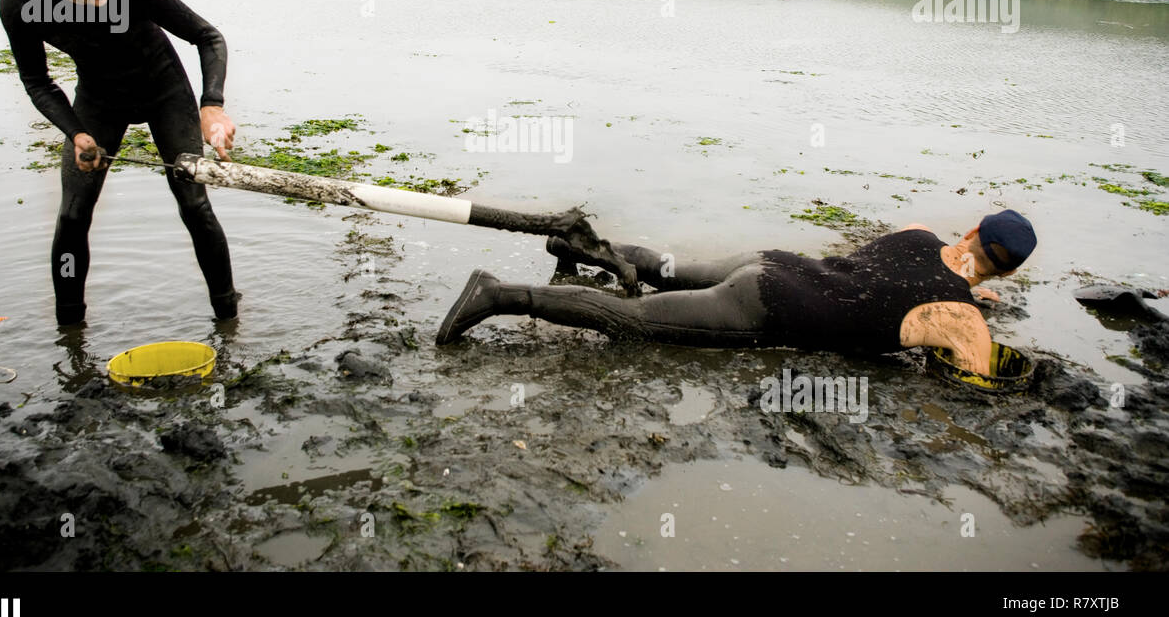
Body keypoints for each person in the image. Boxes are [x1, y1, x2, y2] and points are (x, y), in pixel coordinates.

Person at [0, 0, 240, 326]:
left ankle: (227, 314)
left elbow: (207, 36)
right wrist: (75, 133)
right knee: (74, 214)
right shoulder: (23, 2)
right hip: (98, 101)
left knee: (194, 206)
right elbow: (37, 80)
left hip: (165, 92)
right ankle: (70, 330)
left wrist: (212, 105)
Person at [436, 210, 1038, 374]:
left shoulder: (918, 233)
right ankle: (497, 293)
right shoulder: (961, 321)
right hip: (769, 306)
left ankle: (577, 246)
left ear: (972, 228)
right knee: (638, 319)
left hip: (770, 264)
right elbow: (978, 371)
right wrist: (971, 316)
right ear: (1006, 273)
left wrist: (963, 294)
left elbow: (893, 275)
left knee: (671, 268)